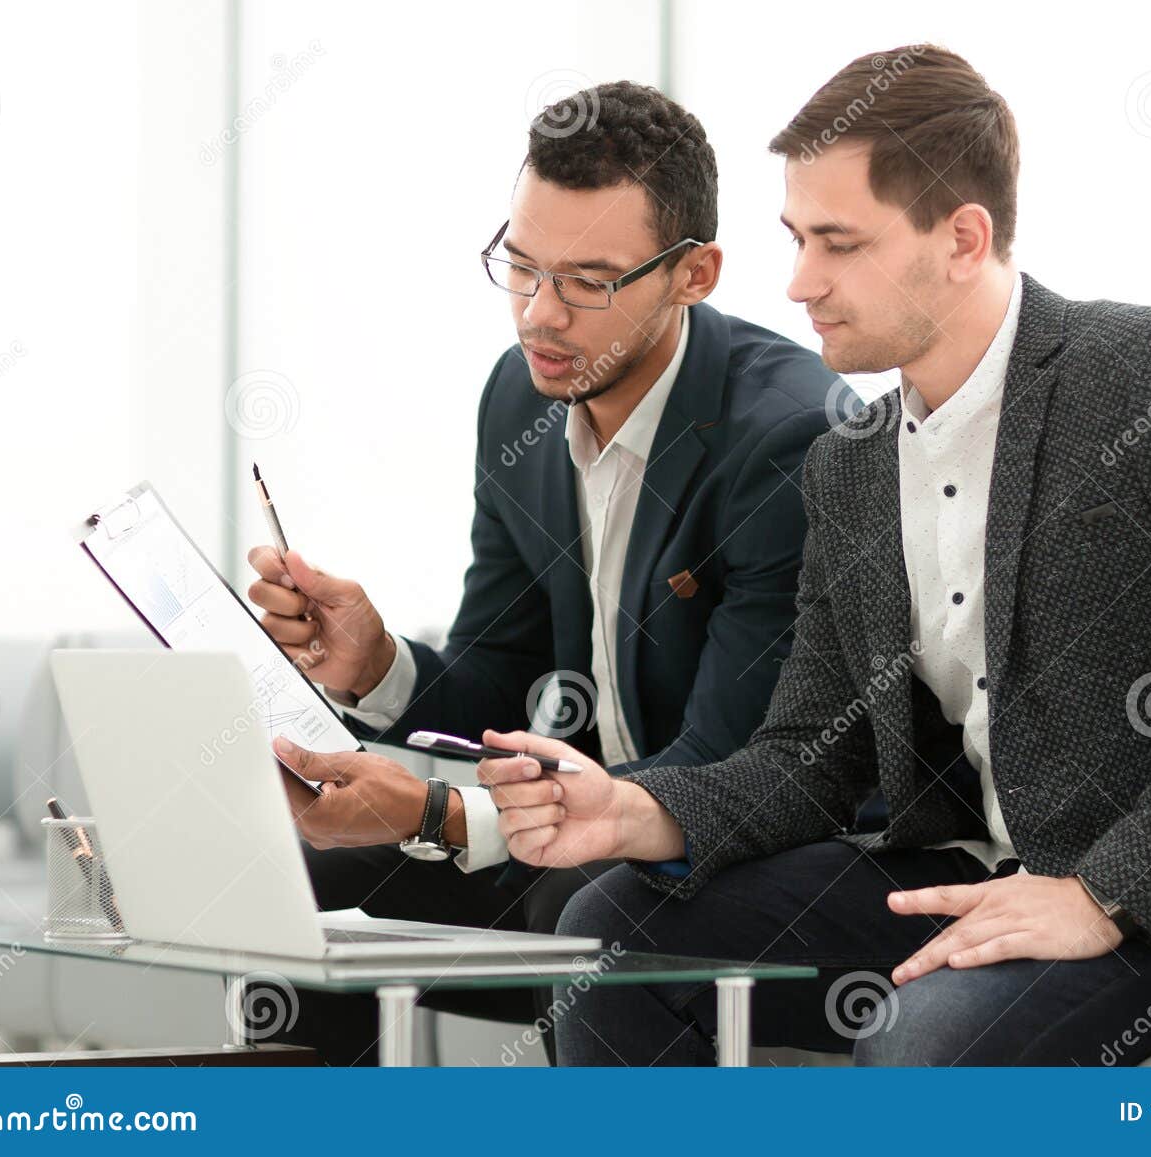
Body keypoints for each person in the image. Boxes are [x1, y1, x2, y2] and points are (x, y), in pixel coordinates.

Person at [475, 45, 1151, 1066]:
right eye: (796, 237)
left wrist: (1103, 887)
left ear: (961, 238)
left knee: (931, 1042)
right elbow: (809, 755)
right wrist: (631, 806)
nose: (800, 282)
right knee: (612, 932)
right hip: (980, 878)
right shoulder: (850, 462)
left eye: (839, 243)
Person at [247, 80, 836, 1064]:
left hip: (733, 849)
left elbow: (724, 762)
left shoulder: (784, 436)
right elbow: (503, 675)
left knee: (587, 902)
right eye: (520, 266)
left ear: (694, 273)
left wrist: (444, 814)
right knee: (310, 874)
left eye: (589, 280)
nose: (539, 315)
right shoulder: (522, 398)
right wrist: (376, 662)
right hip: (572, 833)